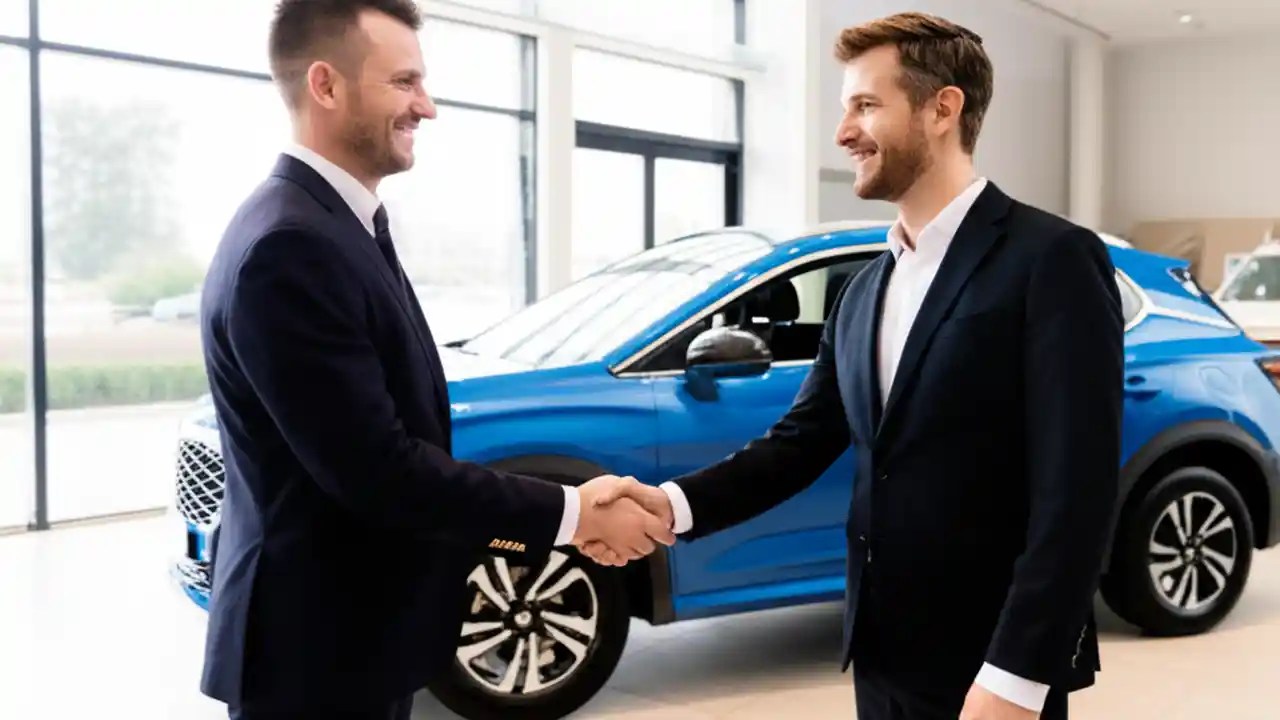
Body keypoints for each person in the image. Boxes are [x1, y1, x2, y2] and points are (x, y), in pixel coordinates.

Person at [583, 11, 1123, 720]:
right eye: (846, 108)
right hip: (882, 650)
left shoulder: (1050, 259)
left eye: (866, 105)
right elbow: (800, 442)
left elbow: (1076, 494)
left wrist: (1018, 675)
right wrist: (673, 506)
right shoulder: (865, 287)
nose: (844, 133)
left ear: (942, 109)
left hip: (992, 665)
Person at [197, 2, 673, 718]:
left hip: (350, 639)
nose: (427, 106)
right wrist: (574, 514)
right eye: (404, 82)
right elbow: (377, 471)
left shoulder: (332, 226)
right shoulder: (291, 247)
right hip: (315, 657)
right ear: (325, 86)